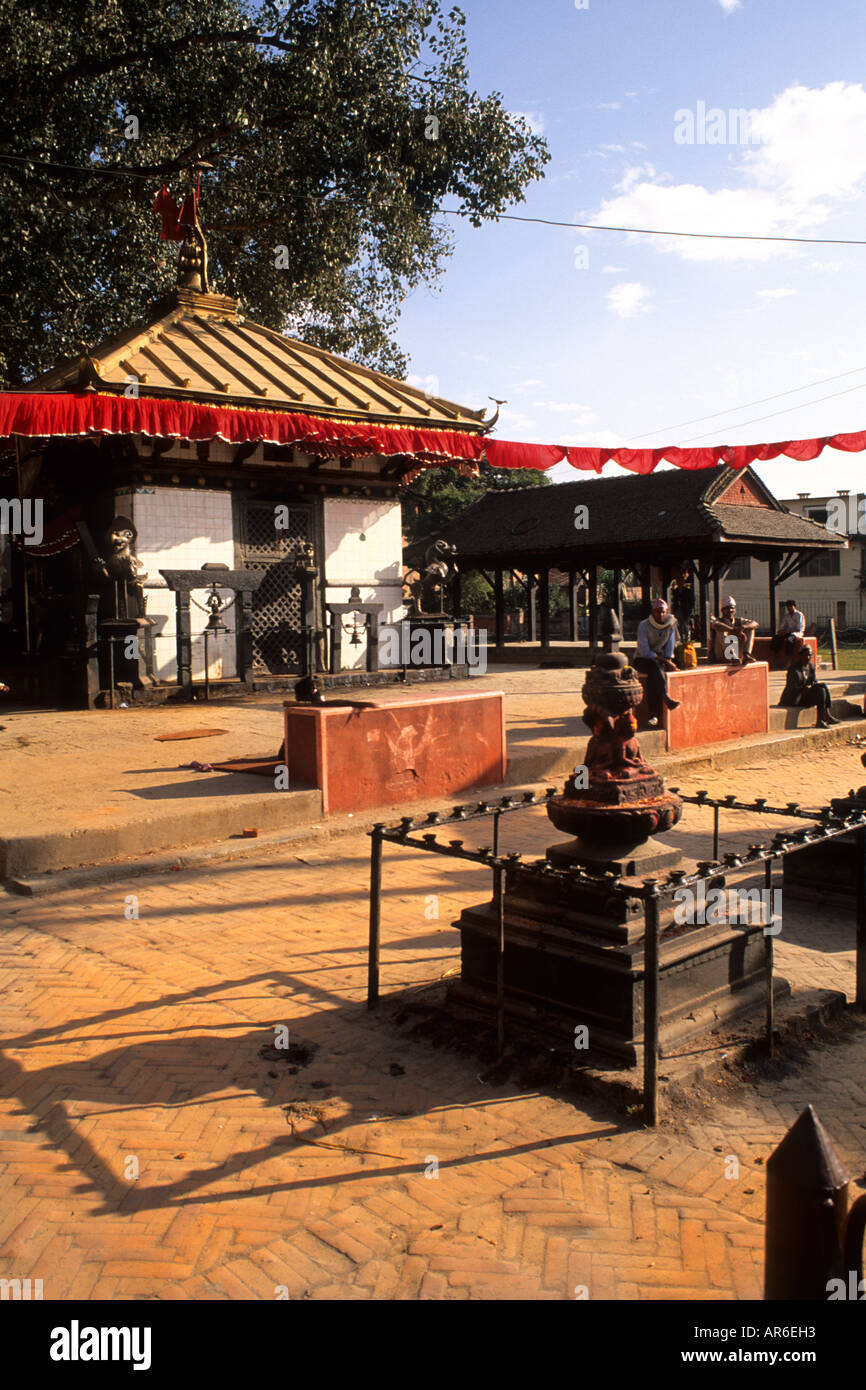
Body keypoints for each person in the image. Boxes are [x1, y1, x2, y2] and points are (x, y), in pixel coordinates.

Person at [634, 597, 681, 727]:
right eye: (657, 611)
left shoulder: (670, 624)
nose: (660, 614)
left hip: (659, 660)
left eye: (663, 612)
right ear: (652, 612)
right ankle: (665, 697)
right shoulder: (644, 625)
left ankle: (653, 714)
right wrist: (665, 661)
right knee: (654, 666)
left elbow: (670, 646)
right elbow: (644, 651)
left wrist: (669, 660)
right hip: (642, 659)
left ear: (667, 612)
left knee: (654, 674)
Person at [778, 646, 838, 727]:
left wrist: (810, 687)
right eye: (805, 655)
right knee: (820, 690)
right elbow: (792, 687)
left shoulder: (811, 667)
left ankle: (826, 715)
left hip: (806, 694)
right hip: (795, 698)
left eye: (809, 655)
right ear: (800, 656)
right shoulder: (793, 669)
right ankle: (821, 719)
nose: (808, 657)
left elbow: (814, 681)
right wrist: (803, 689)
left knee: (822, 688)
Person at [709, 596, 759, 665]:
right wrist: (733, 630)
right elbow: (716, 625)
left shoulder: (739, 620)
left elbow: (755, 623)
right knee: (720, 630)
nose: (730, 610)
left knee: (750, 628)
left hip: (737, 654)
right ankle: (732, 655)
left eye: (732, 608)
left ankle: (746, 654)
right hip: (721, 653)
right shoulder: (718, 621)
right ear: (722, 610)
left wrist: (742, 627)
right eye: (727, 608)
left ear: (735, 610)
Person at [770, 598, 806, 664]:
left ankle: (788, 661)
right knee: (776, 638)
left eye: (790, 606)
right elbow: (783, 625)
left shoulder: (799, 615)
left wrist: (788, 632)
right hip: (787, 632)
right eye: (788, 607)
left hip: (797, 633)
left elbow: (799, 628)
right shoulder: (787, 616)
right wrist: (781, 631)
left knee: (789, 640)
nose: (789, 608)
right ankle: (774, 657)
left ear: (794, 606)